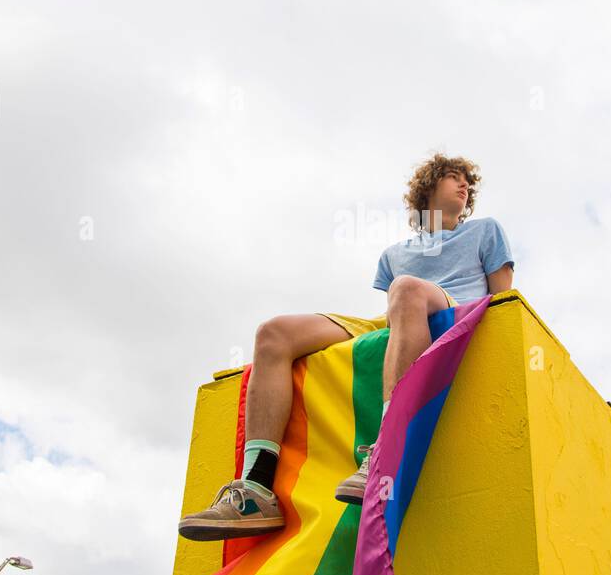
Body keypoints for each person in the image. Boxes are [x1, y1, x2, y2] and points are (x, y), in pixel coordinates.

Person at [177, 153, 515, 541]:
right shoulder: (393, 255)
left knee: (405, 289)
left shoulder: (486, 230)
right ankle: (255, 489)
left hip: (452, 309)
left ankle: (386, 451)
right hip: (397, 313)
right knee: (273, 333)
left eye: (467, 183)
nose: (464, 185)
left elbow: (503, 300)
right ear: (429, 186)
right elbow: (392, 316)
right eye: (454, 177)